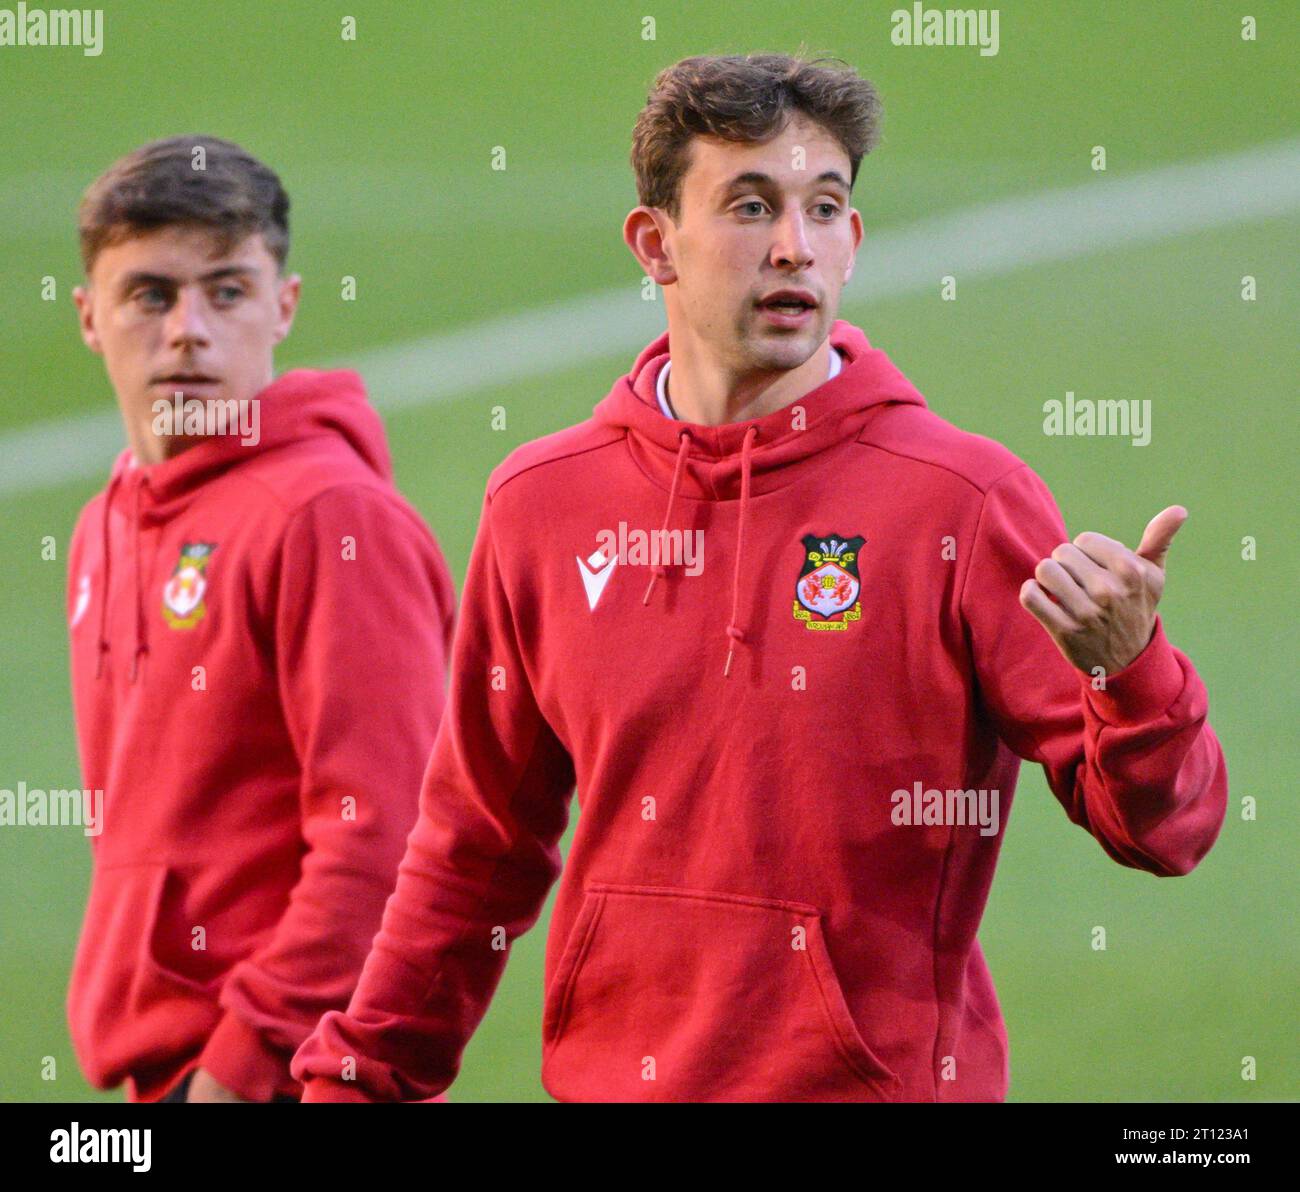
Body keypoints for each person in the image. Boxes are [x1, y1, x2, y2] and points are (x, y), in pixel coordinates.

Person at [291, 54, 1227, 1103]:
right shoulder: (541, 505)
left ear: (853, 243)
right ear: (656, 245)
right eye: (749, 205)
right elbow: (474, 849)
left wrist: (1132, 674)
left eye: (824, 208)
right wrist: (354, 1080)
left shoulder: (958, 500)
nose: (794, 246)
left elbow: (1166, 831)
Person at [65, 135, 455, 1103]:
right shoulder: (104, 520)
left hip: (285, 1073)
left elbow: (388, 833)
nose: (188, 329)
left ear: (283, 305)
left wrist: (244, 1066)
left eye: (226, 291)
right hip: (167, 1068)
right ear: (88, 317)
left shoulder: (327, 519)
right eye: (150, 294)